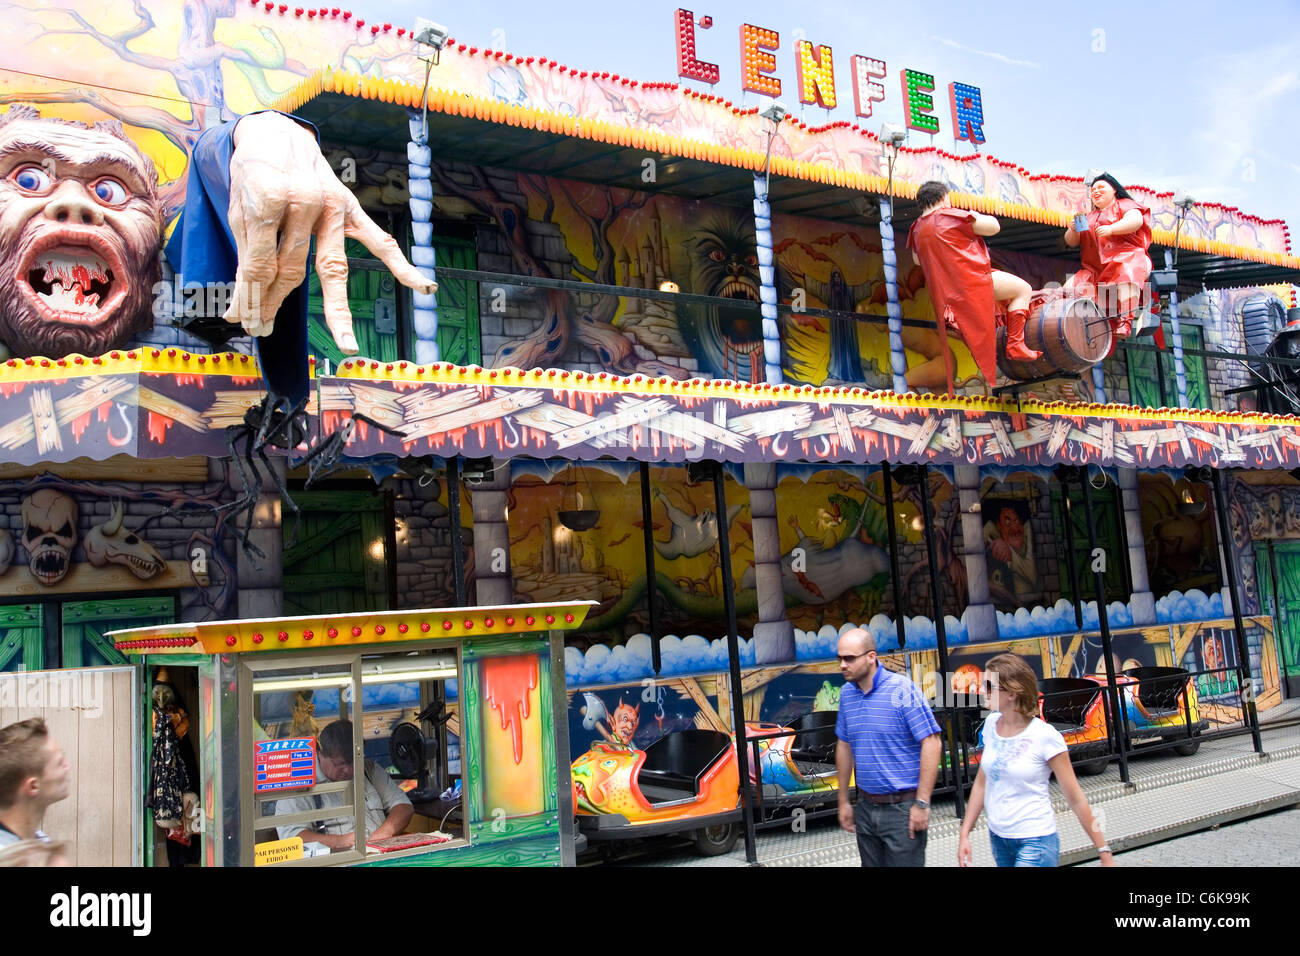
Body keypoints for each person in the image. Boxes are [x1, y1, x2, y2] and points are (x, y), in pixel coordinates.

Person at [958, 654, 1115, 867]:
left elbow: (1076, 797)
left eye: (988, 686)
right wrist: (965, 833)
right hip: (999, 839)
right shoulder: (991, 726)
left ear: (1012, 692)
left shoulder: (1045, 736)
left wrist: (1103, 851)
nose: (981, 691)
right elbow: (982, 783)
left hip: (1036, 840)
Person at [906, 180, 1038, 390]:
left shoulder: (917, 230)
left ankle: (1007, 343)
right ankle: (1016, 344)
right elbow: (993, 227)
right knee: (1023, 289)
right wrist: (974, 215)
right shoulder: (950, 216)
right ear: (943, 197)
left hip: (950, 296)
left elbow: (916, 259)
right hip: (974, 282)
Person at [835, 628, 942, 866]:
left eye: (850, 658)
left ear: (871, 657)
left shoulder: (902, 689)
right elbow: (844, 745)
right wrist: (843, 800)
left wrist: (922, 803)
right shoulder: (846, 695)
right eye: (840, 658)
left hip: (902, 808)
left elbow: (932, 742)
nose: (843, 665)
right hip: (865, 806)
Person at [275, 720, 413, 850]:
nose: (349, 770)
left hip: (380, 853)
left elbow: (403, 806)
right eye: (340, 764)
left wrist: (384, 832)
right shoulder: (300, 782)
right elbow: (292, 837)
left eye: (354, 761)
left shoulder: (368, 769)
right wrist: (340, 842)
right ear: (320, 754)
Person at [1063, 172, 1153, 339]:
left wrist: (1112, 229)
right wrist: (1072, 230)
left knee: (1126, 272)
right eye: (1093, 189)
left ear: (1114, 190)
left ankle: (1126, 320)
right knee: (1069, 288)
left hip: (1127, 258)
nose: (1096, 191)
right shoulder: (1087, 217)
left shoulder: (1125, 204)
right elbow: (1072, 242)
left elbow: (1136, 220)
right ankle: (1080, 328)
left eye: (1101, 187)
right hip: (1094, 269)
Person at [0, 718, 71, 849]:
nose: (68, 767)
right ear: (33, 786)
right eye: (60, 762)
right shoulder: (7, 856)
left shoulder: (38, 841)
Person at [983, 501, 1043, 607]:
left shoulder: (1027, 542)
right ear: (999, 527)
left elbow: (1032, 576)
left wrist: (1010, 554)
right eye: (1007, 524)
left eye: (1016, 522)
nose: (1014, 529)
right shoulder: (994, 539)